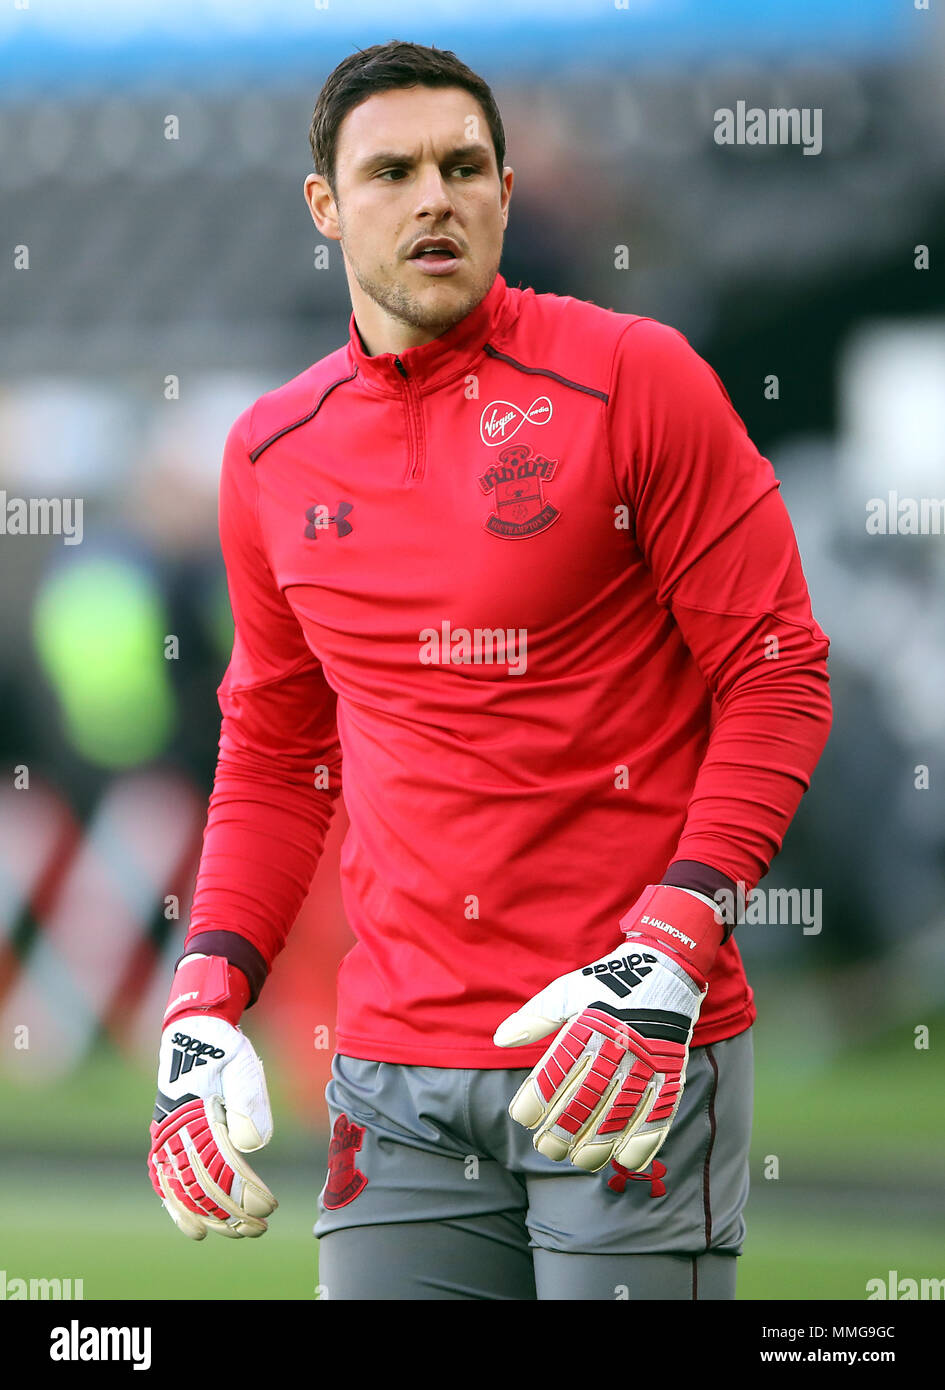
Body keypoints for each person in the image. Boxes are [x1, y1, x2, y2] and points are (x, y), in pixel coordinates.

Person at [147, 40, 832, 1301]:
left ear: (508, 194)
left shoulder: (639, 378)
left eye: (465, 167)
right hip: (389, 1074)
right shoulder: (270, 454)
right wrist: (203, 999)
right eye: (392, 170)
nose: (433, 198)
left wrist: (673, 949)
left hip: (623, 1044)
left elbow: (779, 675)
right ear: (325, 206)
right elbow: (277, 755)